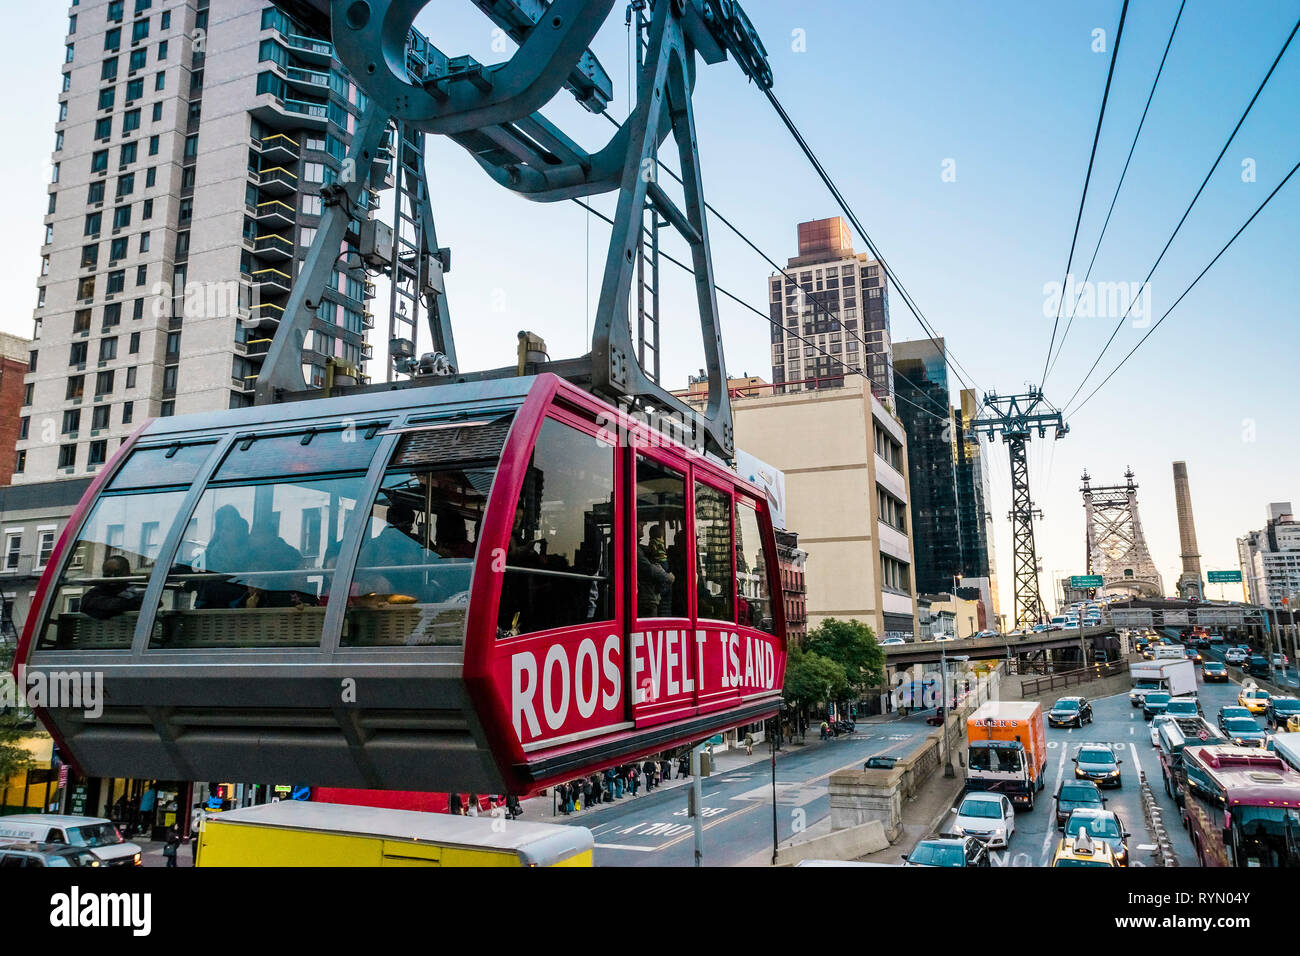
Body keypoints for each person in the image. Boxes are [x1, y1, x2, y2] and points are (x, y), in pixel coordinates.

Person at [80, 555, 145, 621]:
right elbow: (85, 604)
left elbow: (138, 604)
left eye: (117, 573)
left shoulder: (138, 590)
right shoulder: (100, 589)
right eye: (107, 573)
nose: (112, 576)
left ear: (127, 573)